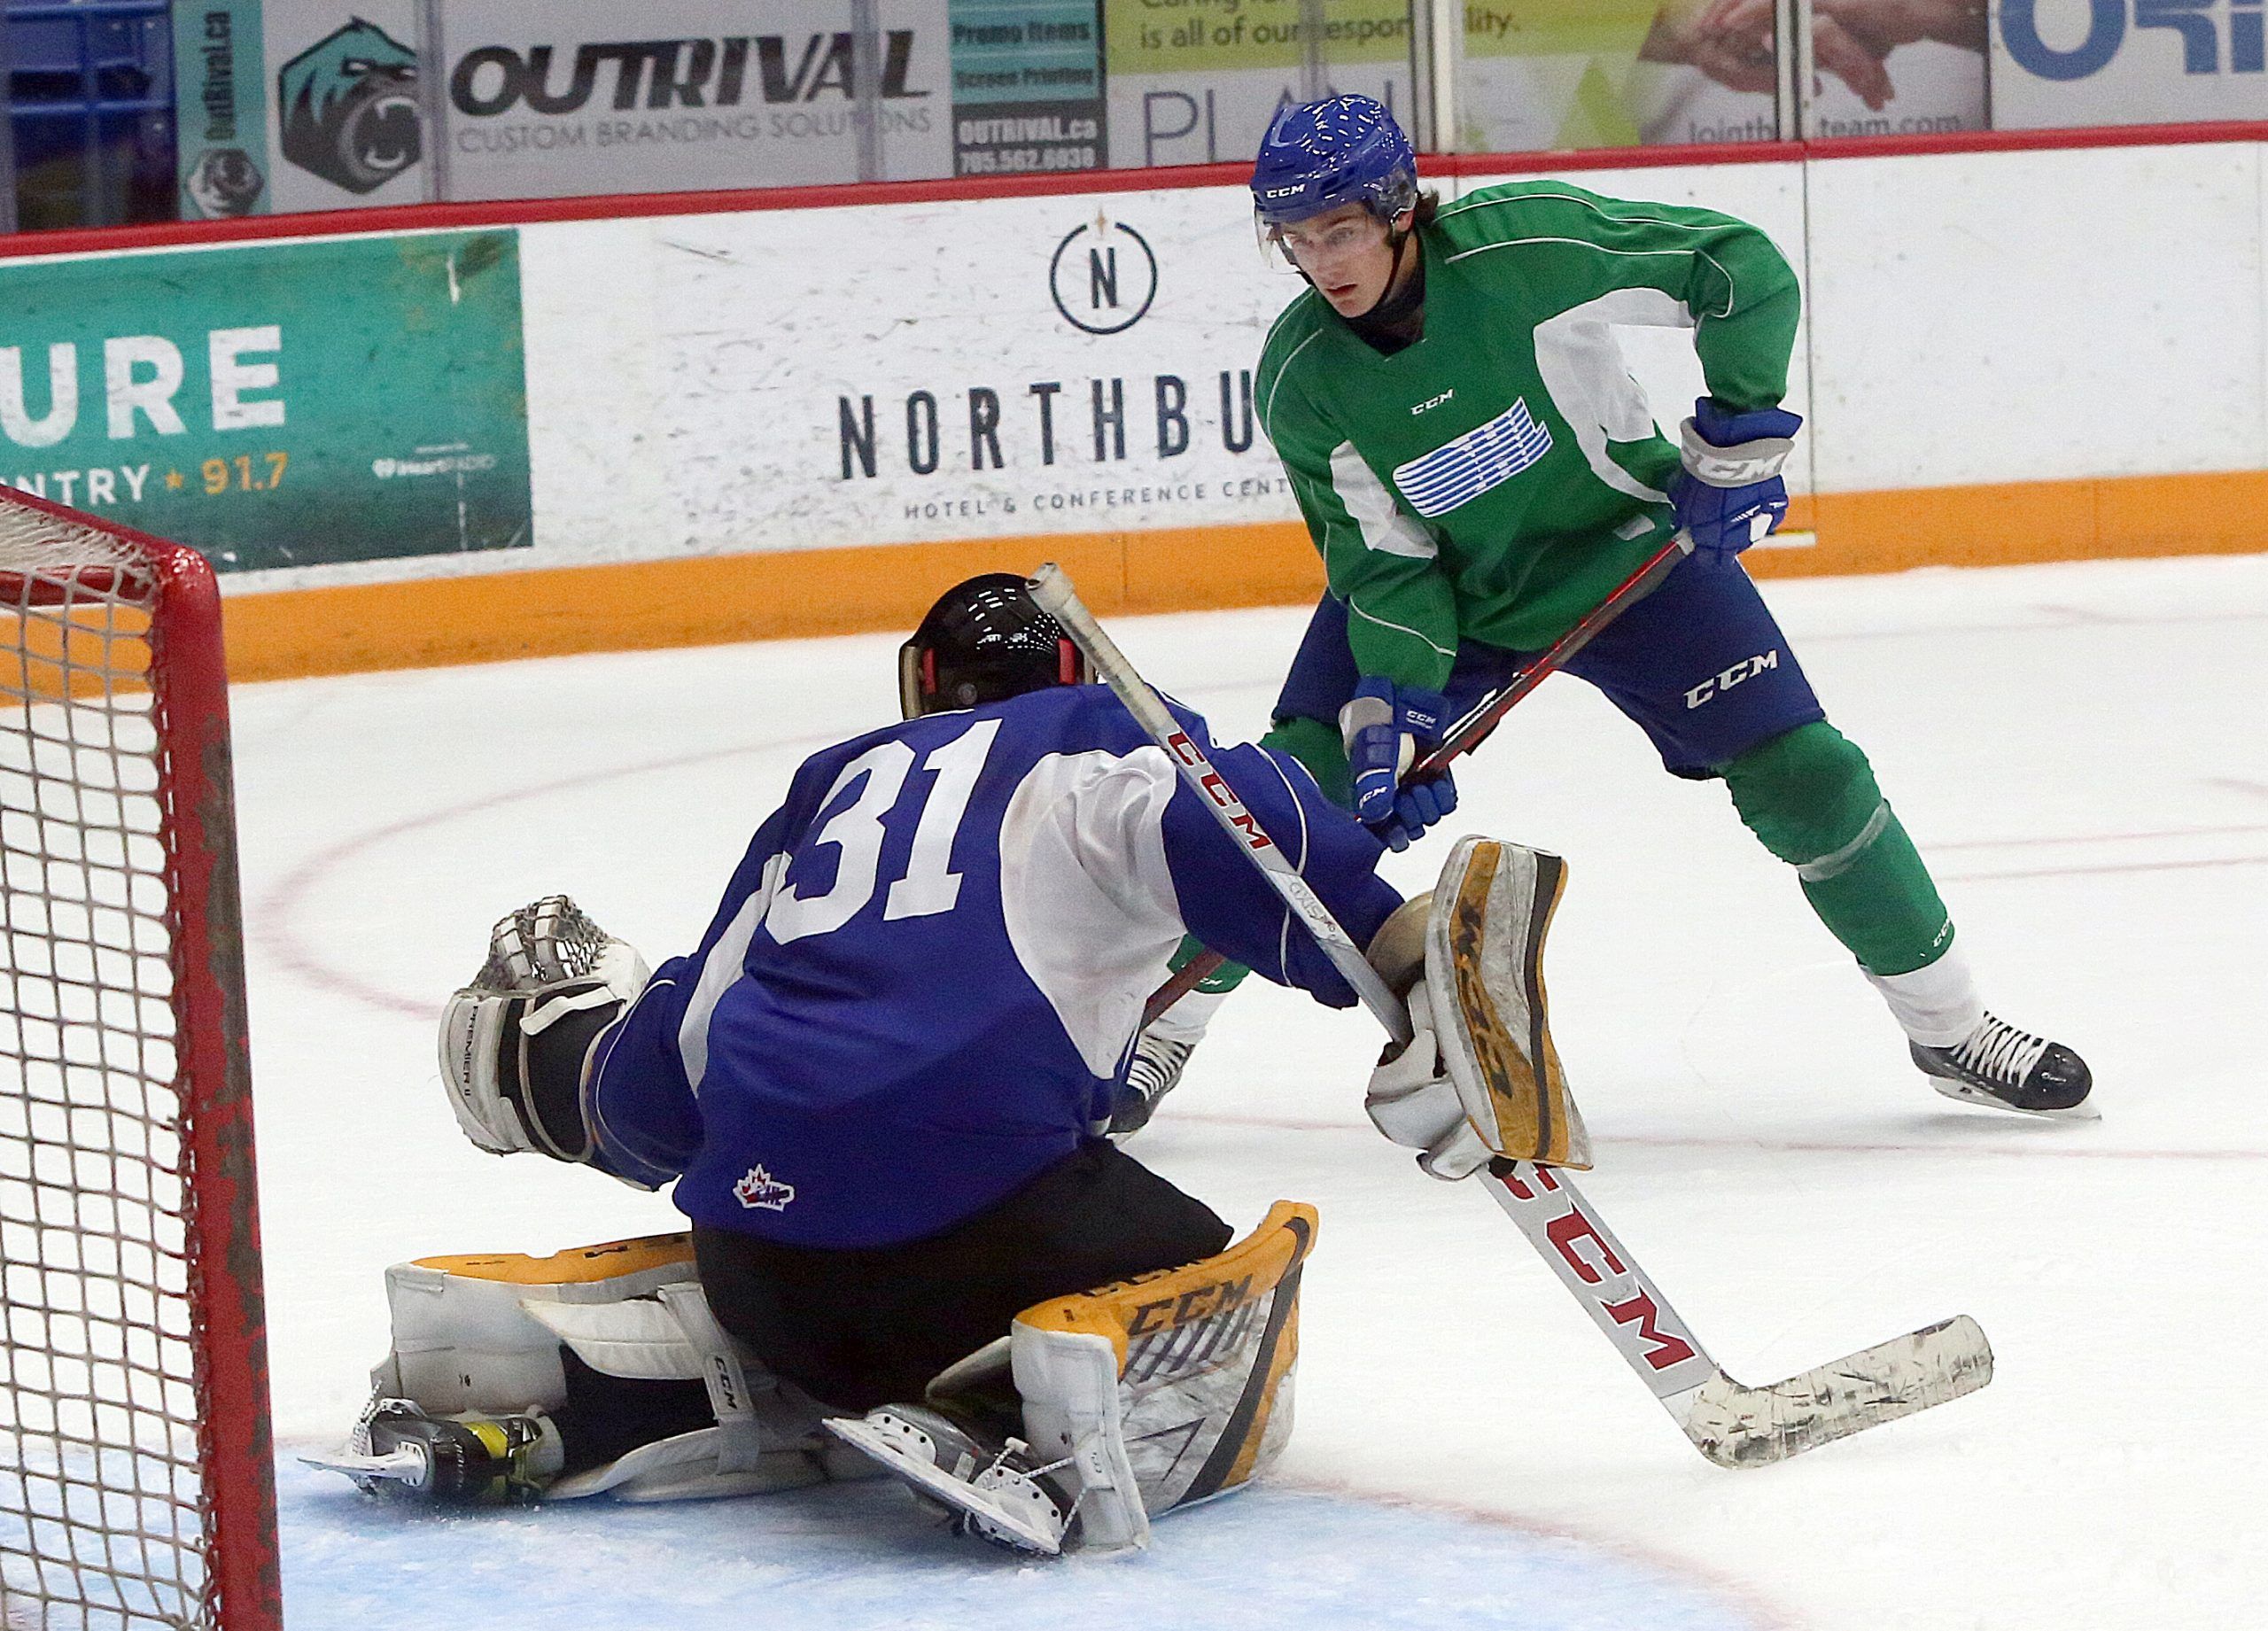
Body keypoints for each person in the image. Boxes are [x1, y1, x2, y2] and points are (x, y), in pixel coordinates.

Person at [310, 573, 1407, 1556]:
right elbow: (1257, 833)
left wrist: (581, 1076)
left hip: (757, 1269)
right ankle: (1000, 1412)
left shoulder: (834, 779)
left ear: (921, 684)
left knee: (823, 1213)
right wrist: (1381, 921)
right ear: (1081, 671)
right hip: (988, 1255)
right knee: (1212, 1264)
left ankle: (639, 1388)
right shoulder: (1104, 739)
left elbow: (677, 1072)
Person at [1121, 95, 2089, 1130]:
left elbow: (1735, 268)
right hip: (1452, 599)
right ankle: (1157, 1034)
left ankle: (1949, 1027)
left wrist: (1741, 433)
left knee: (1809, 775)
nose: (1323, 263)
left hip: (1630, 556)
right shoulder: (1302, 378)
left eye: (1341, 230)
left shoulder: (1526, 250)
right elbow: (1385, 562)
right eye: (1298, 239)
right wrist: (1392, 709)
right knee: (1290, 798)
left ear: (1399, 209)